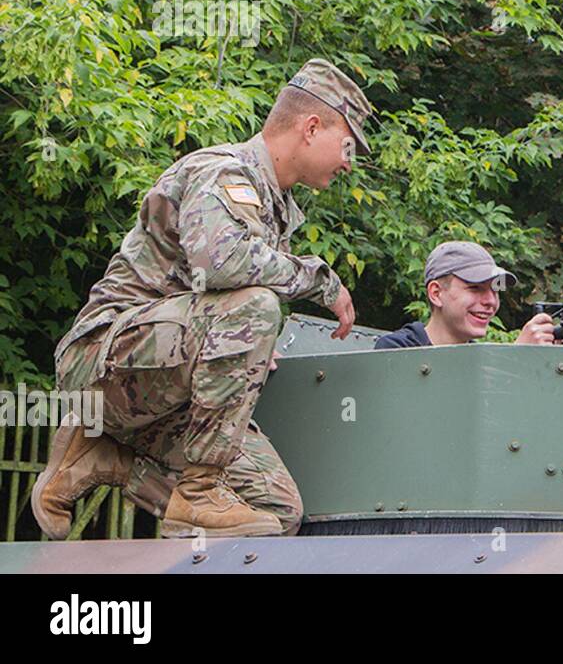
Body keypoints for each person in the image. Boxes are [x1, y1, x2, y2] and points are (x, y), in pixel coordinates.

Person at [32, 58, 373, 540]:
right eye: (346, 146)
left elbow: (222, 300)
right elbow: (222, 262)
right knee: (256, 308)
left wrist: (242, 349)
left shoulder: (273, 207)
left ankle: (109, 459)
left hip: (167, 390)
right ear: (311, 127)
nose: (347, 162)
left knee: (276, 510)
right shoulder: (223, 172)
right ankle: (199, 492)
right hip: (102, 362)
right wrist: (321, 281)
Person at [374, 241, 555, 348]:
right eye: (475, 288)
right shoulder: (396, 350)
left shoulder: (481, 362)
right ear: (436, 293)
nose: (491, 301)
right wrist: (515, 359)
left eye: (495, 290)